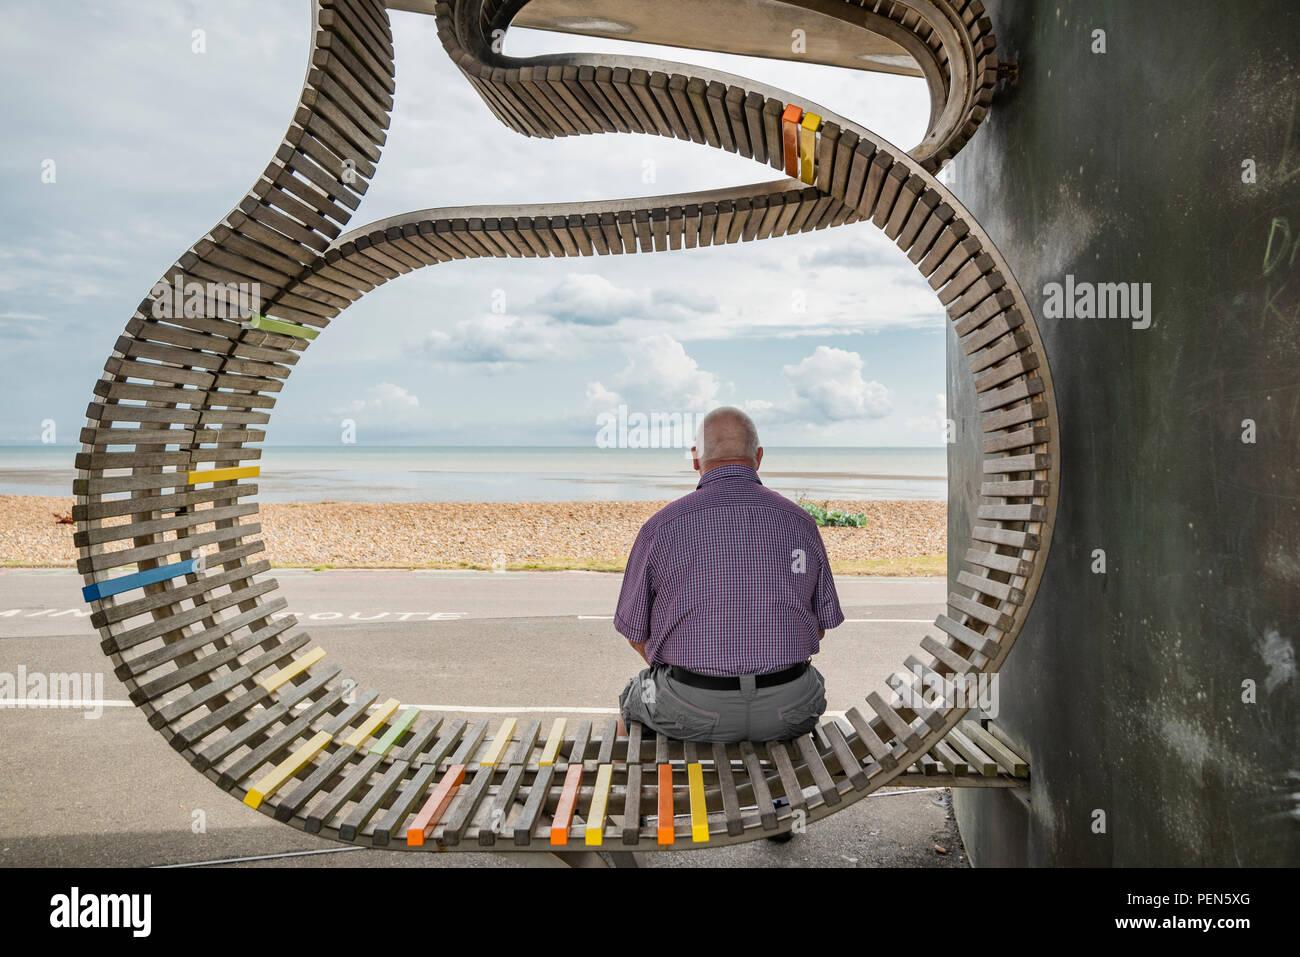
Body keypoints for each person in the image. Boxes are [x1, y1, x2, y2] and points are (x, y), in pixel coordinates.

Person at [614, 406, 844, 743]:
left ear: (696, 459)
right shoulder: (800, 523)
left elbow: (635, 632)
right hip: (789, 705)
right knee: (805, 685)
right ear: (759, 457)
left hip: (692, 706)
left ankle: (635, 790)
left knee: (633, 699)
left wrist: (684, 667)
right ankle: (778, 797)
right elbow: (820, 626)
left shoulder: (661, 528)